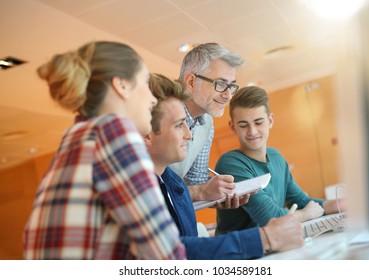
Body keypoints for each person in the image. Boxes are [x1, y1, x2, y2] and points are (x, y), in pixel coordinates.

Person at [23, 41, 186, 260]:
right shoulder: (114, 132)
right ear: (122, 86)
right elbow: (166, 255)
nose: (153, 98)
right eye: (146, 83)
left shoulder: (76, 137)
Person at [144, 73, 304, 259]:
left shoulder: (171, 181)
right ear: (147, 134)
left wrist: (204, 194)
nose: (189, 136)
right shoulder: (137, 189)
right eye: (180, 125)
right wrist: (265, 238)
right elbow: (174, 254)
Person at [214, 86, 346, 234]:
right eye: (243, 125)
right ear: (233, 127)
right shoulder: (230, 164)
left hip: (273, 246)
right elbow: (271, 218)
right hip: (243, 253)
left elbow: (300, 200)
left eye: (258, 122)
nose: (252, 131)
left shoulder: (276, 157)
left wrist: (339, 204)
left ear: (270, 121)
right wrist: (307, 214)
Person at [169, 42, 247, 207]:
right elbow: (149, 187)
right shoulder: (160, 113)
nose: (228, 95)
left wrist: (220, 194)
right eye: (220, 84)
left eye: (231, 86)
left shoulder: (207, 124)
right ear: (191, 82)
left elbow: (195, 182)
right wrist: (202, 191)